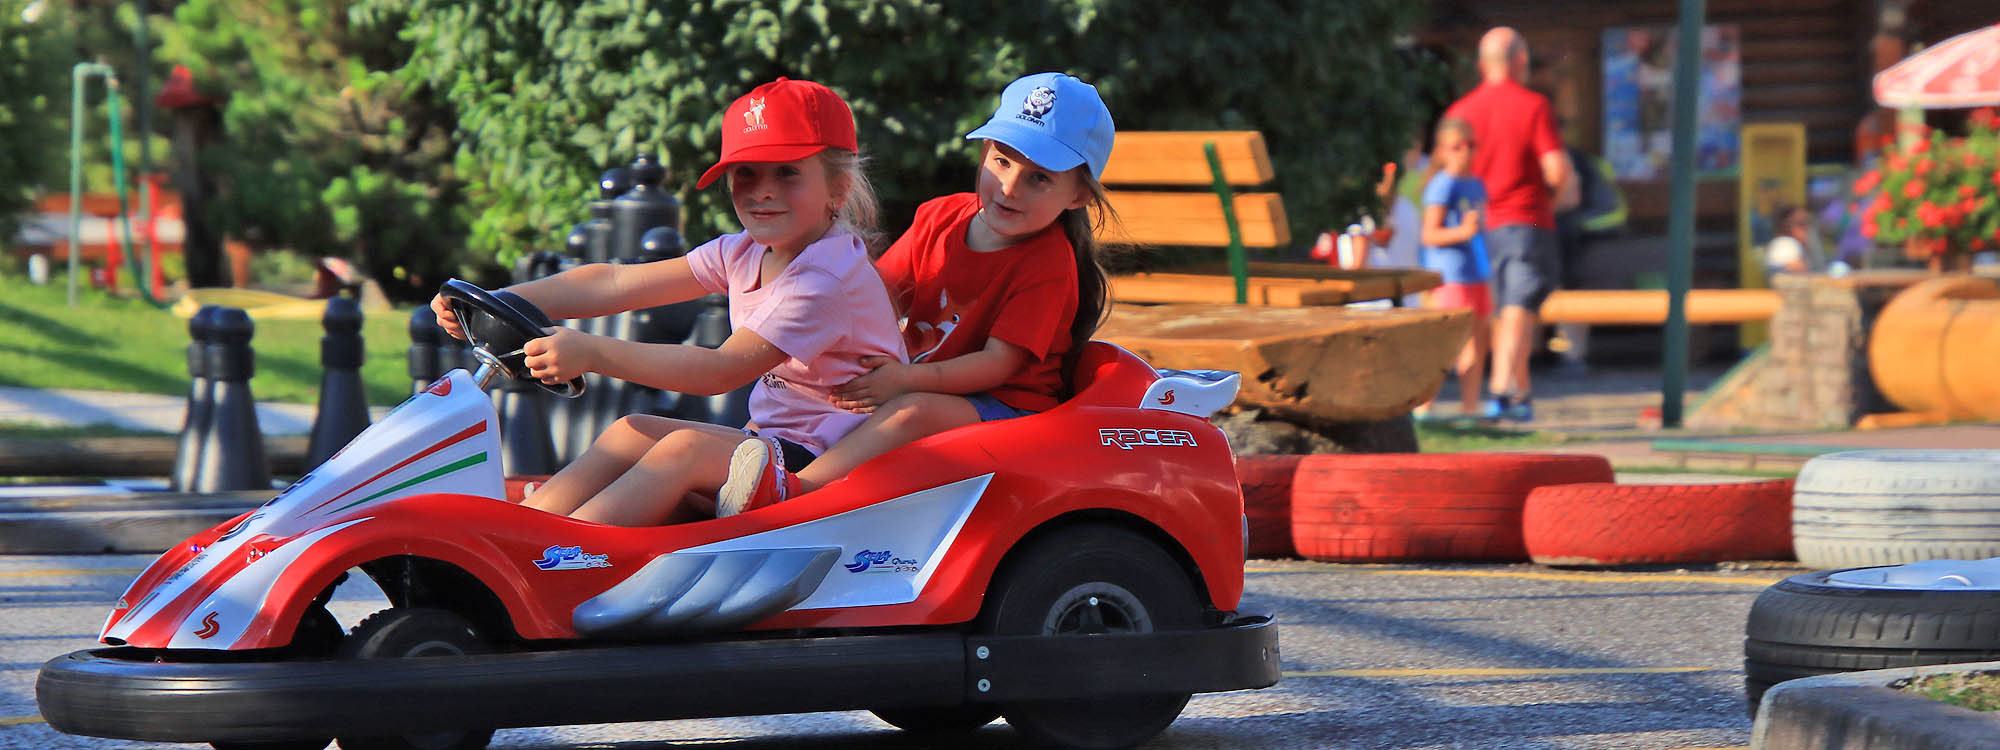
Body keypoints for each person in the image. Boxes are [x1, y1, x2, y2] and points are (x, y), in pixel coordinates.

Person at [430, 78, 906, 526]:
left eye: (788, 174)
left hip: (831, 461)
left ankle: (559, 558)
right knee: (629, 432)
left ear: (838, 190)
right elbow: (615, 281)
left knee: (684, 450)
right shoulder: (744, 251)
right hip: (772, 443)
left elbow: (719, 372)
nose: (763, 190)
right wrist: (503, 300)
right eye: (746, 173)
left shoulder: (823, 281)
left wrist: (593, 353)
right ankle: (518, 537)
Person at [716, 71, 1117, 515]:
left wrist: (903, 381)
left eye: (1038, 179)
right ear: (985, 151)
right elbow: (876, 294)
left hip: (1006, 407)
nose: (1009, 187)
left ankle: (794, 492)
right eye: (1002, 161)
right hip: (920, 382)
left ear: (1079, 195)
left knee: (911, 414)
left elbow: (997, 364)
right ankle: (742, 473)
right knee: (827, 398)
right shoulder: (939, 215)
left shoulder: (1049, 262)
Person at [1445, 27, 1569, 422]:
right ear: (1520, 62)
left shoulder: (1460, 112)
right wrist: (1551, 196)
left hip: (1474, 228)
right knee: (1517, 305)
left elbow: (1445, 174)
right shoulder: (1534, 106)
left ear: (1482, 66)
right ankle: (1501, 393)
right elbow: (1557, 168)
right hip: (1524, 218)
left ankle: (1522, 394)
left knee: (1501, 309)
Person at [1413, 118, 1493, 419]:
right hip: (1450, 275)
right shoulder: (1442, 184)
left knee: (1478, 344)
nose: (1466, 152)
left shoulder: (1474, 183)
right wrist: (1461, 232)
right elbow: (1429, 235)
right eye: (1458, 147)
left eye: (1471, 145)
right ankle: (1424, 408)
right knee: (1446, 345)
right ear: (1444, 150)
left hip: (1477, 270)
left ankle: (1470, 409)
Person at [1764, 204, 1822, 277]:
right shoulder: (1784, 243)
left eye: (1808, 224)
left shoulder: (1799, 245)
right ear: (1786, 226)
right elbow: (1799, 269)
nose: (1806, 229)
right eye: (1801, 224)